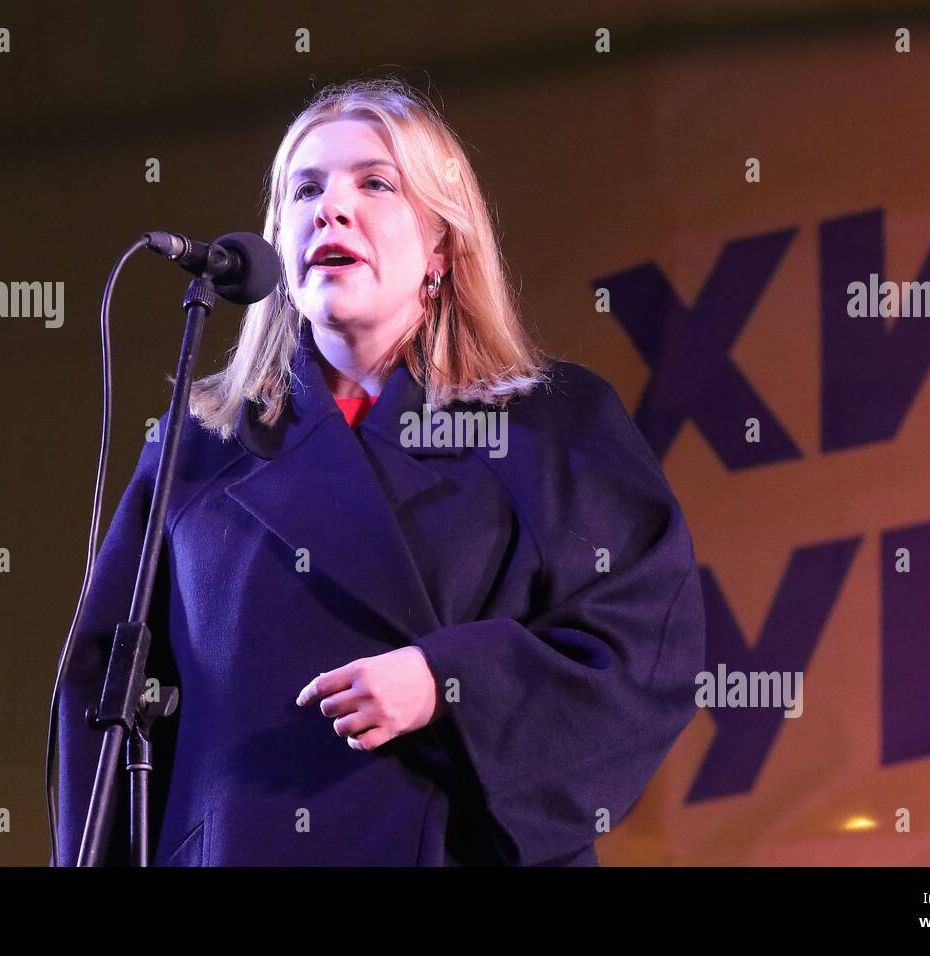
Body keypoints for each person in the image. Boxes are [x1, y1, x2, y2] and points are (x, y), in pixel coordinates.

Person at [56, 77, 705, 866]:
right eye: (304, 190)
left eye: (374, 183)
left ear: (442, 244)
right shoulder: (199, 445)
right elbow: (99, 697)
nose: (330, 208)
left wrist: (449, 683)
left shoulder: (551, 425)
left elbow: (643, 652)